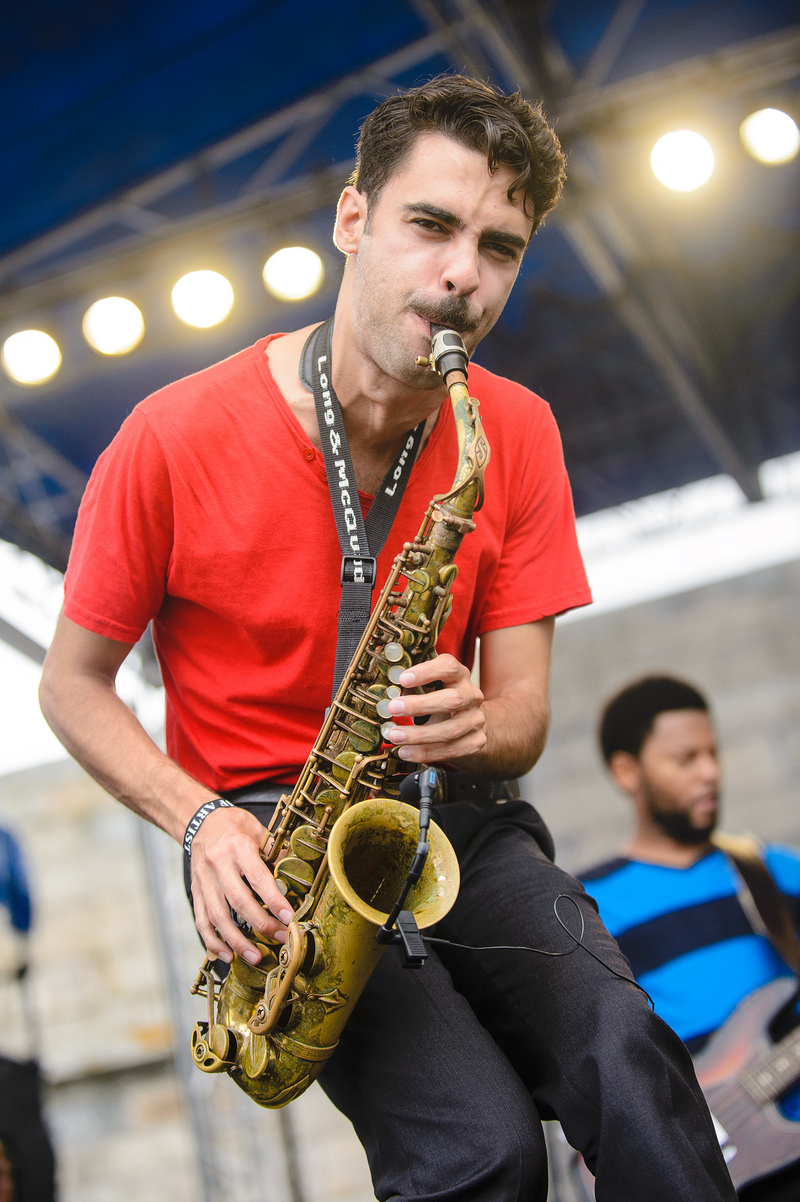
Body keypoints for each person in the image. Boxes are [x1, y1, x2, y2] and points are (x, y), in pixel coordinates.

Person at [39, 75, 735, 1201]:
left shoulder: (516, 430)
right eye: (430, 225)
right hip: (277, 844)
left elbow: (521, 718)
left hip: (456, 811)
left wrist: (477, 723)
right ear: (353, 219)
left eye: (498, 247)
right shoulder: (167, 436)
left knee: (629, 1054)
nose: (462, 273)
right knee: (479, 1150)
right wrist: (200, 819)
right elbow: (72, 687)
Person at [581, 675, 800, 1201]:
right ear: (626, 771)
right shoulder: (587, 905)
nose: (710, 772)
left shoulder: (767, 869)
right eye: (686, 759)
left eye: (713, 753)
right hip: (703, 1170)